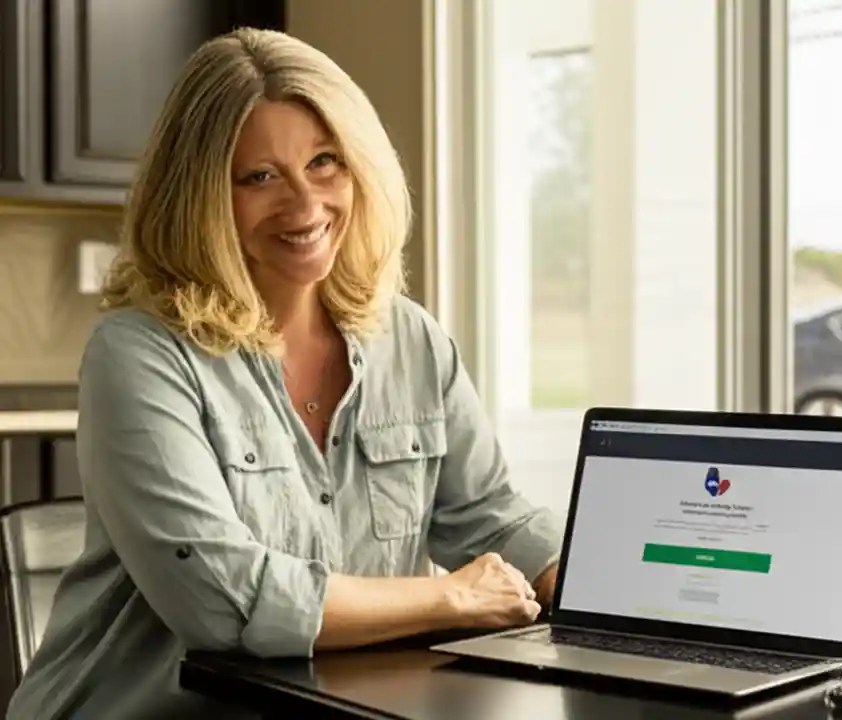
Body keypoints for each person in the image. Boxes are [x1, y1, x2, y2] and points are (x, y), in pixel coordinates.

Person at [7, 28, 563, 719]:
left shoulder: (412, 340)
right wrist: (450, 597)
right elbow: (223, 600)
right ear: (203, 196)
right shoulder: (139, 355)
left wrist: (616, 596)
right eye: (260, 177)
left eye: (325, 162)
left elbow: (491, 519)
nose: (305, 206)